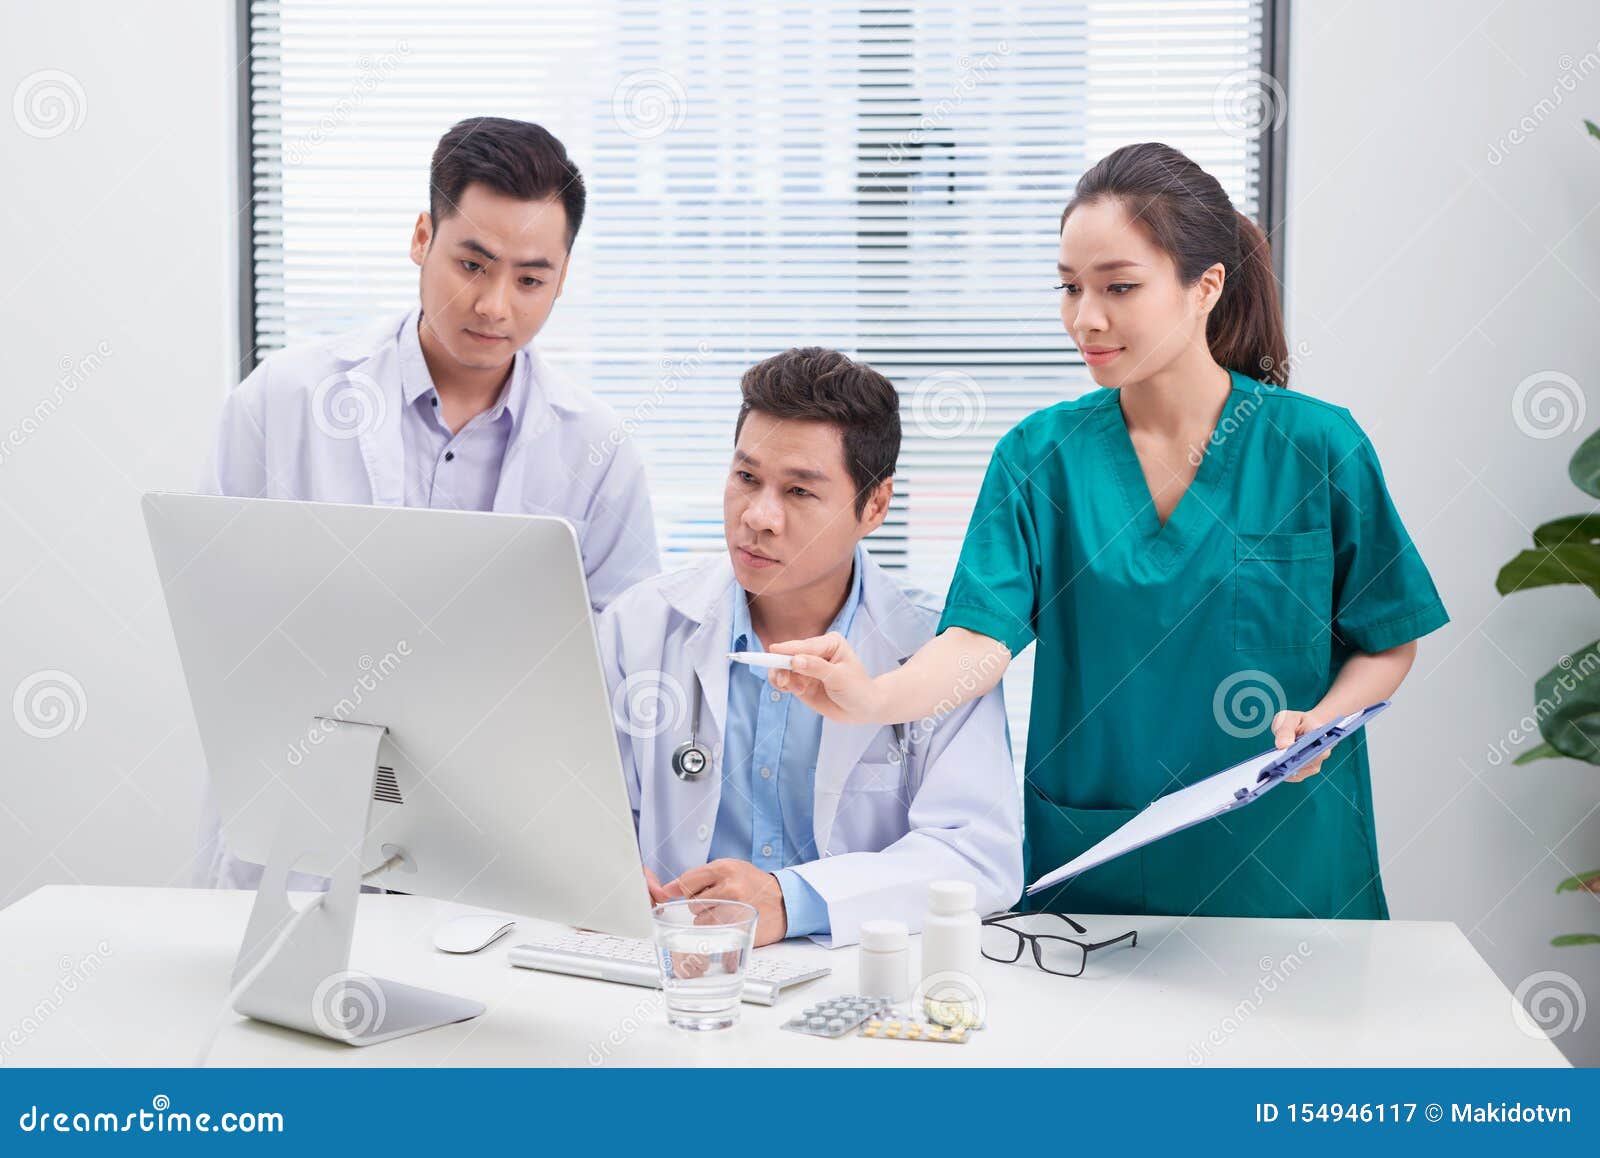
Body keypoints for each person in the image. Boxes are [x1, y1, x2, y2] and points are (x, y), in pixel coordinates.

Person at [768, 142, 1449, 921]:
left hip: (1286, 869)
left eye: (1119, 286)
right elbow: (979, 641)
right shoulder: (1039, 458)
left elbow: (1387, 635)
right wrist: (872, 698)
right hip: (1098, 876)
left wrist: (1322, 726)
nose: (1085, 318)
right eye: (1069, 288)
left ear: (1207, 287)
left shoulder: (1318, 447)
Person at [198, 116, 660, 889]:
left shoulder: (598, 449)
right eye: (471, 264)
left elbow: (621, 663)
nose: (494, 306)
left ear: (562, 276)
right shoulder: (285, 399)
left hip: (498, 823)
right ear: (422, 237)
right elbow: (209, 602)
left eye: (530, 279)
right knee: (278, 999)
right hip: (304, 804)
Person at [596, 348, 1021, 946]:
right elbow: (581, 810)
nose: (759, 516)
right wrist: (604, 870)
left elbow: (979, 859)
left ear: (874, 505)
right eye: (746, 478)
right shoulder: (639, 626)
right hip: (675, 969)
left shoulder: (934, 652)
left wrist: (793, 900)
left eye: (799, 492)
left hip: (856, 981)